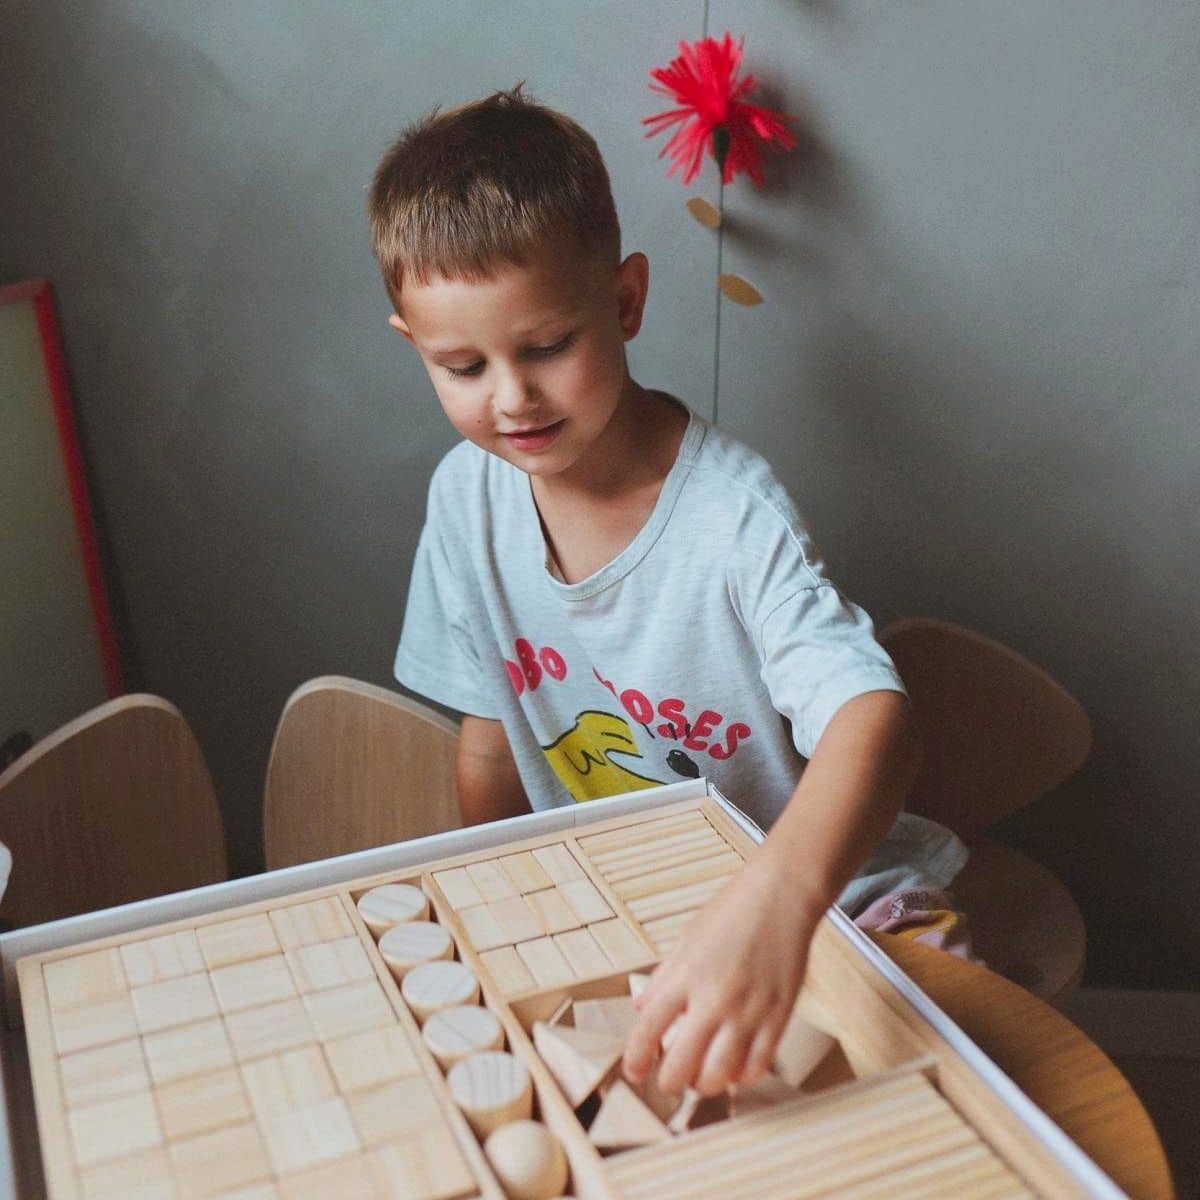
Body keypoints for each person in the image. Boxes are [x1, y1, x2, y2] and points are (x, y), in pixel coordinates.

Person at [367, 87, 969, 1099]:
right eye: (463, 365)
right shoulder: (462, 499)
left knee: (908, 1072)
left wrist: (777, 904)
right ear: (414, 346)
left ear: (627, 301)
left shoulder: (733, 519)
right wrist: (499, 909)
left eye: (548, 346)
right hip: (633, 907)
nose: (512, 397)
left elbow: (880, 721)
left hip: (832, 897)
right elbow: (488, 744)